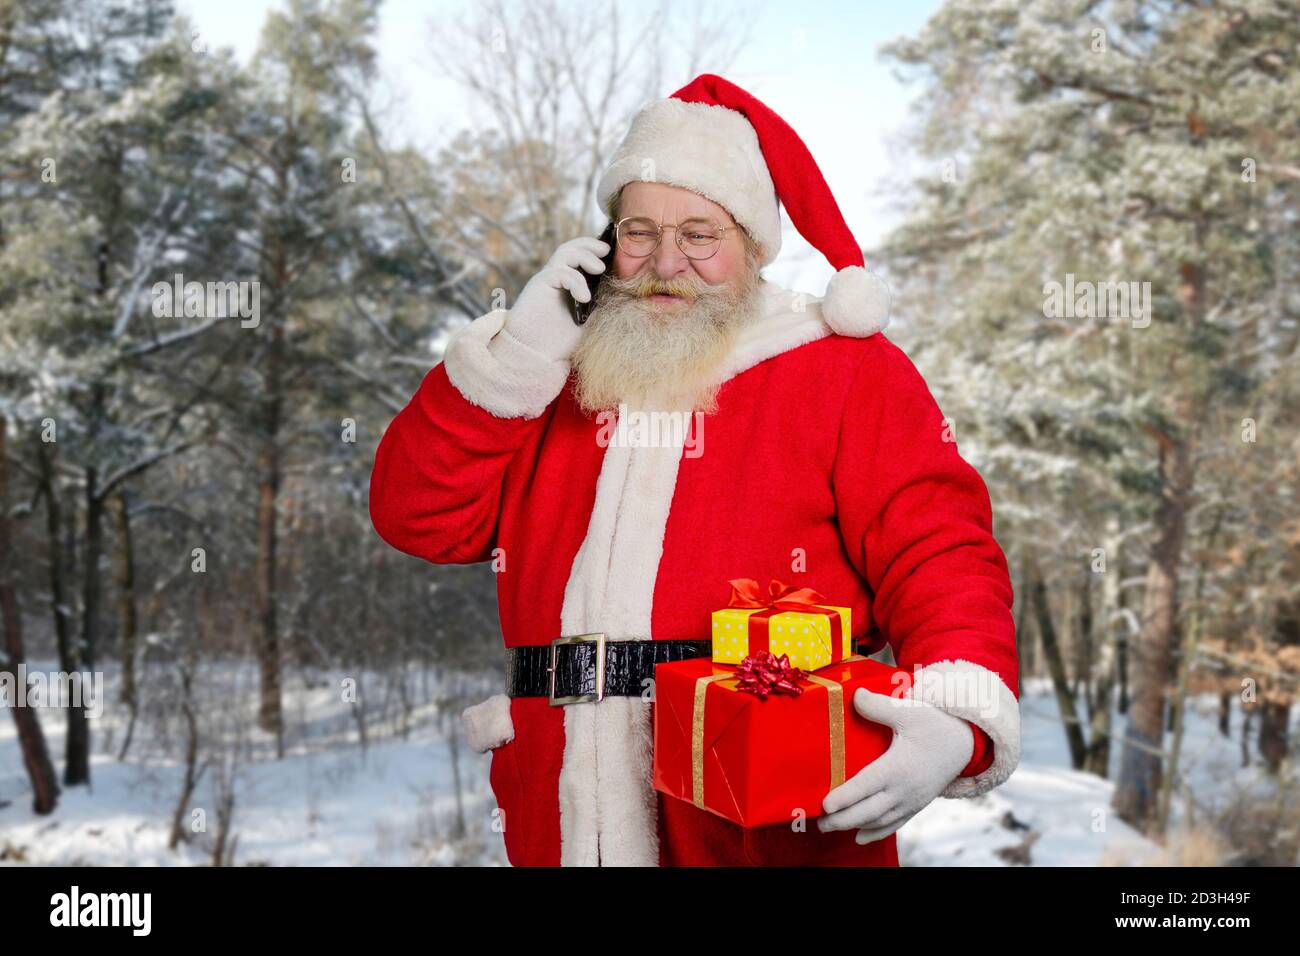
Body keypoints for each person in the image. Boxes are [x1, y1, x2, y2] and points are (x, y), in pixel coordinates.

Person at [369, 74, 1019, 867]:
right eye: (638, 231)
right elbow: (417, 515)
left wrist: (955, 712)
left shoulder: (843, 372)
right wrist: (516, 356)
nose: (664, 260)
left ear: (750, 244)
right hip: (562, 813)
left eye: (700, 234)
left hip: (768, 819)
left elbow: (940, 552)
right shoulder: (556, 374)